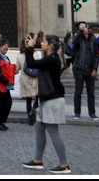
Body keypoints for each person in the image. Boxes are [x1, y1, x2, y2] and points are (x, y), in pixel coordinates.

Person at [21, 35, 71, 174]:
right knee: (39, 127)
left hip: (53, 99)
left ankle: (64, 164)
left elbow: (31, 63)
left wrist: (30, 48)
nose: (41, 43)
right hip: (47, 98)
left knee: (53, 131)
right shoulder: (50, 58)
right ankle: (37, 160)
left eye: (43, 42)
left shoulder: (51, 59)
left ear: (50, 45)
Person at [69, 22, 98, 120]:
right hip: (79, 68)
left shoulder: (93, 40)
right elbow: (74, 43)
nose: (83, 28)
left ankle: (92, 113)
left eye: (85, 27)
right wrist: (80, 32)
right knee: (78, 91)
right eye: (82, 27)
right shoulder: (79, 39)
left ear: (89, 29)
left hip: (90, 69)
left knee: (91, 92)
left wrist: (95, 69)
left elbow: (96, 56)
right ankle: (77, 112)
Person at [18, 33, 40, 125]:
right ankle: (31, 114)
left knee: (32, 98)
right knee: (31, 98)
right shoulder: (34, 55)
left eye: (28, 41)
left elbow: (18, 68)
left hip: (31, 78)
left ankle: (31, 115)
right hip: (30, 78)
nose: (27, 43)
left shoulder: (33, 54)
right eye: (26, 41)